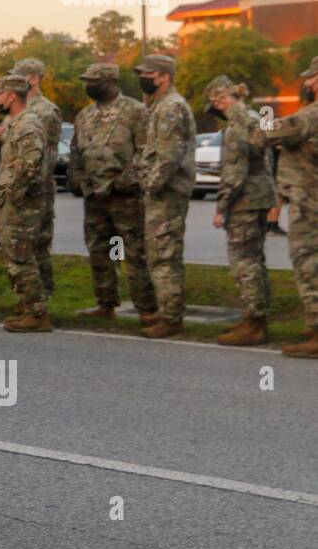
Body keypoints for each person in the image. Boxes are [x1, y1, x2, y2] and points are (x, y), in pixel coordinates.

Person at [212, 54, 318, 358]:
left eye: (312, 77)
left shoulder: (310, 116)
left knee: (309, 265)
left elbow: (263, 133)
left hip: (309, 202)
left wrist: (236, 110)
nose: (308, 83)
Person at [67, 63, 156, 323]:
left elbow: (145, 152)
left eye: (94, 82)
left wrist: (123, 182)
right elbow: (75, 151)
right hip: (93, 196)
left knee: (136, 252)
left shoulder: (135, 111)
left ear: (111, 82)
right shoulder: (84, 115)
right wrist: (77, 179)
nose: (89, 86)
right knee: (100, 250)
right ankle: (106, 303)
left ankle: (147, 308)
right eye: (87, 81)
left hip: (125, 197)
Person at [203, 76, 275, 346]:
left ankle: (253, 324)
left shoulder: (237, 126)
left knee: (244, 262)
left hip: (244, 200)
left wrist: (222, 207)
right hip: (261, 196)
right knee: (256, 260)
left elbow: (235, 172)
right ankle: (256, 317)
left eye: (215, 103)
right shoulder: (255, 117)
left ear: (221, 100)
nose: (216, 108)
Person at [133, 54, 196, 339]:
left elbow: (169, 156)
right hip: (162, 191)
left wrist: (149, 184)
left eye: (148, 74)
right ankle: (167, 310)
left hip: (167, 192)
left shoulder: (171, 107)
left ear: (164, 77)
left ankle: (171, 317)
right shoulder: (160, 105)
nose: (143, 79)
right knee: (159, 253)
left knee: (164, 254)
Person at [0, 75, 51, 332]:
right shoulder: (15, 123)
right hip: (13, 200)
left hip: (22, 203)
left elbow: (30, 164)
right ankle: (29, 307)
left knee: (21, 256)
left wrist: (13, 195)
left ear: (12, 96)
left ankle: (37, 314)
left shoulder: (27, 124)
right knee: (16, 255)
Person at [12, 59, 61, 298]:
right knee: (19, 244)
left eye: (18, 77)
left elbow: (44, 155)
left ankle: (43, 295)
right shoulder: (18, 108)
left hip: (36, 187)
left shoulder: (45, 110)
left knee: (38, 243)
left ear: (33, 79)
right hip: (18, 185)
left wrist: (29, 185)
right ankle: (24, 296)